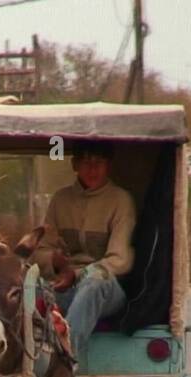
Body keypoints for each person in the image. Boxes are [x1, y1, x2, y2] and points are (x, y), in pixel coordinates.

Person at [38, 141, 136, 364]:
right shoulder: (60, 200)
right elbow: (40, 250)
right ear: (75, 164)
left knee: (95, 281)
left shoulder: (121, 201)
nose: (93, 169)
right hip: (64, 288)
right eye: (86, 162)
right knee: (26, 288)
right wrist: (53, 261)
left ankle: (64, 361)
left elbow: (119, 260)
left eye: (99, 163)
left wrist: (77, 274)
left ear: (109, 166)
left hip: (105, 290)